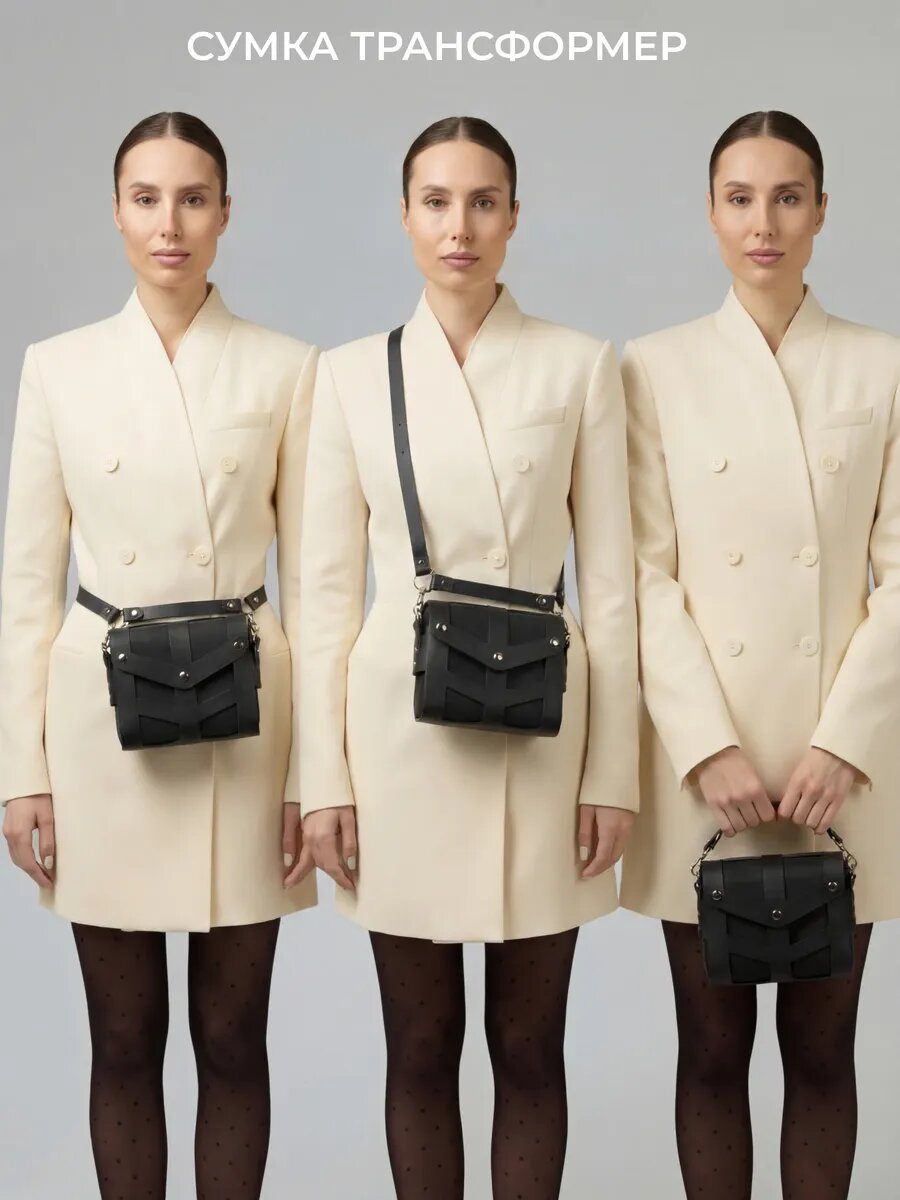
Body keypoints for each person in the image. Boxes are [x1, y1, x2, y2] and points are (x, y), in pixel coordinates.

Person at [297, 115, 638, 1200]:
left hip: (545, 742)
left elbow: (613, 588)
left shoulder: (581, 366)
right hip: (399, 746)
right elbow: (323, 600)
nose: (461, 228)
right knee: (419, 1047)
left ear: (515, 217)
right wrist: (323, 781)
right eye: (437, 203)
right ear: (404, 218)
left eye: (483, 202)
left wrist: (613, 773)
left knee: (531, 1049)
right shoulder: (350, 376)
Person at [0, 111, 318, 1199]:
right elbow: (25, 587)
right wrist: (22, 771)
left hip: (246, 723)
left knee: (233, 1040)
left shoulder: (286, 368)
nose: (169, 224)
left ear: (225, 213)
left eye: (192, 199)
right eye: (147, 198)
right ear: (117, 211)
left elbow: (319, 593)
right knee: (124, 1040)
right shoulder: (58, 369)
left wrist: (314, 775)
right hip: (102, 731)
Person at [619, 109, 900, 1199]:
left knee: (825, 1056)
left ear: (822, 211)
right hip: (708, 767)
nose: (764, 223)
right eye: (740, 199)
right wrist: (705, 745)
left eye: (788, 198)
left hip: (843, 763)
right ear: (710, 213)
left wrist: (846, 742)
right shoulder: (654, 369)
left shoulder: (881, 367)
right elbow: (642, 578)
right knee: (710, 1056)